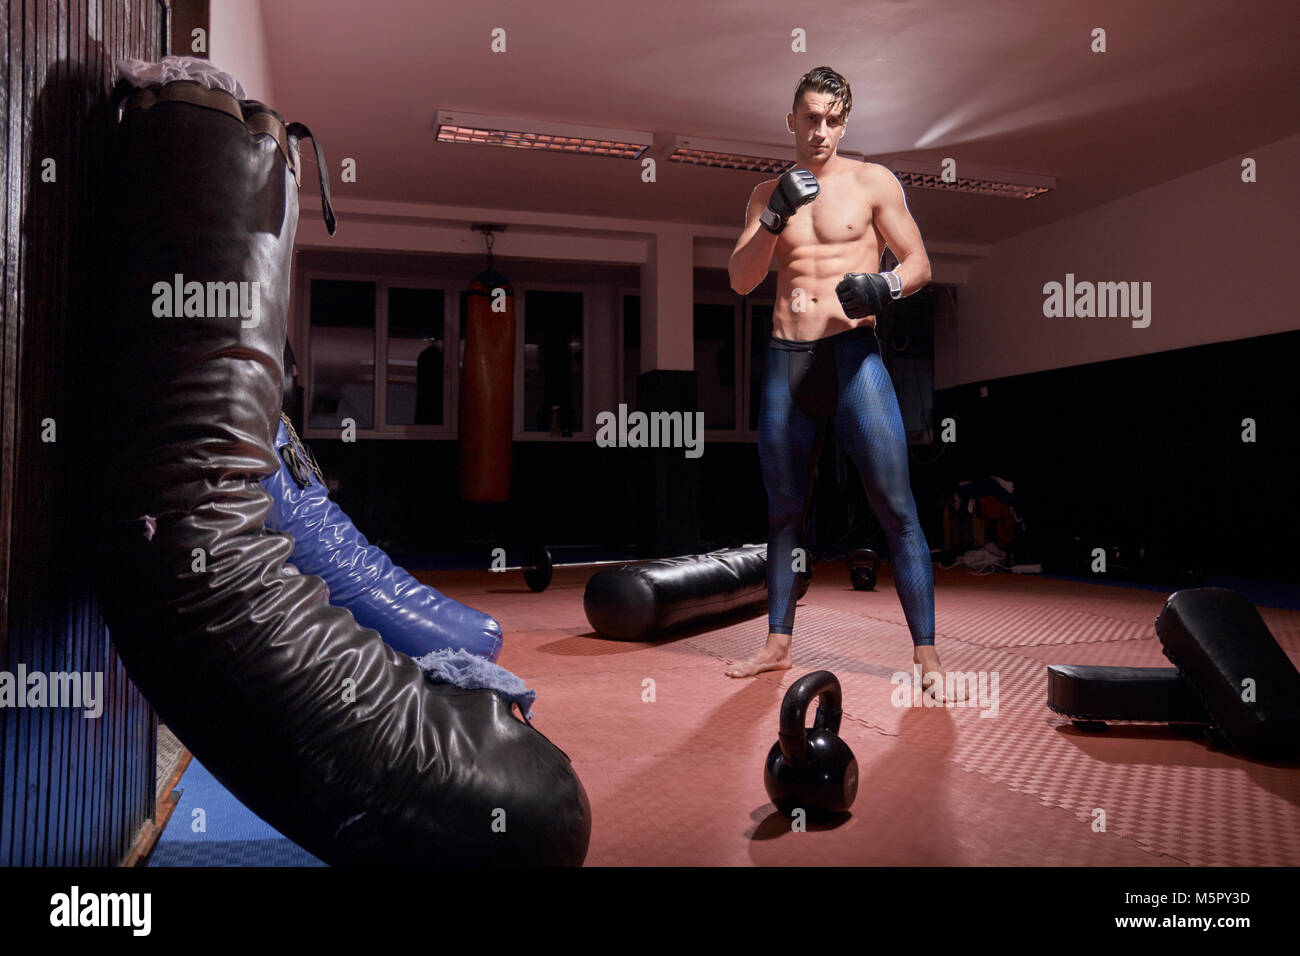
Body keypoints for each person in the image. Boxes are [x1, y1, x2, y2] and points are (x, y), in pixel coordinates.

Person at [724, 66, 963, 700]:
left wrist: (882, 286)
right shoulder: (765, 194)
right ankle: (777, 644)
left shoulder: (873, 182)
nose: (821, 130)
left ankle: (928, 655)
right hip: (786, 358)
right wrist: (774, 215)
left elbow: (918, 264)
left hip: (854, 357)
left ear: (845, 121)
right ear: (791, 119)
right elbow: (742, 279)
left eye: (833, 119)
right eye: (810, 117)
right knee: (782, 512)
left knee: (897, 508)